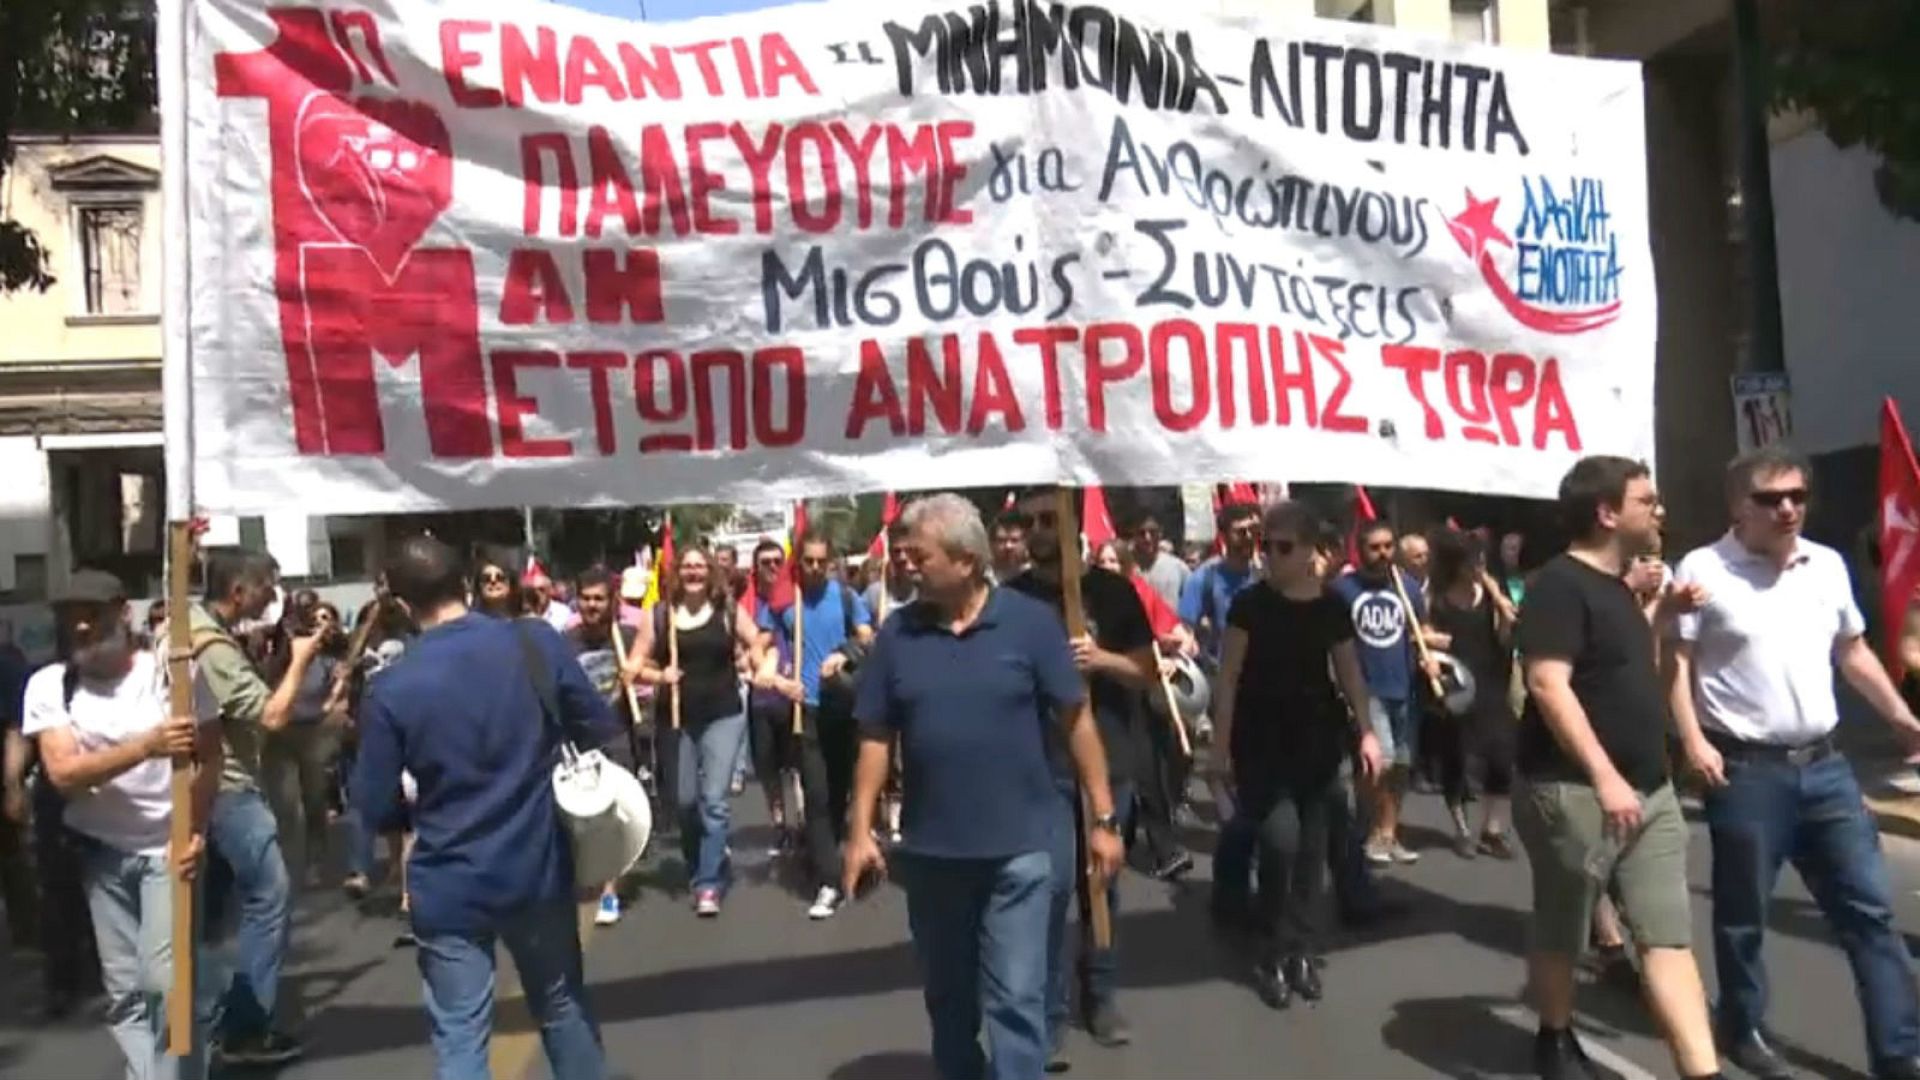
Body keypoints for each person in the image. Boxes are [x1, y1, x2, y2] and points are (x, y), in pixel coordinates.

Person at [842, 493, 1123, 1080]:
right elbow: (874, 736)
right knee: (950, 1005)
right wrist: (859, 830)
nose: (905, 565)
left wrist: (1102, 820)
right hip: (932, 857)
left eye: (918, 555)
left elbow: (1077, 722)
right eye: (901, 555)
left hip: (1020, 852)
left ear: (967, 561)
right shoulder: (897, 635)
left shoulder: (1030, 624)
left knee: (1016, 1002)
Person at [1669, 446, 1920, 1080]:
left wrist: (1899, 716)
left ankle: (1898, 1052)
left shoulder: (1827, 566)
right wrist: (1692, 740)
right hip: (1748, 771)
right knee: (1744, 915)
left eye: (1797, 497)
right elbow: (1676, 664)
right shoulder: (1703, 570)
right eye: (1770, 498)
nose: (1787, 509)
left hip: (1828, 770)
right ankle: (1743, 1025)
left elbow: (1853, 651)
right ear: (1737, 506)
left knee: (1870, 914)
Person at [354, 536, 617, 1080]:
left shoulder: (391, 687)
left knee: (460, 1037)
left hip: (449, 880)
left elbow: (371, 802)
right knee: (562, 1005)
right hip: (536, 865)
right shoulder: (534, 643)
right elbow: (597, 724)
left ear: (402, 607)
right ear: (468, 587)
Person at [1514, 455, 1720, 1080]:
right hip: (1573, 792)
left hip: (1650, 791)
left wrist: (1662, 612)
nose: (1658, 511)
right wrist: (1605, 777)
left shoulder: (1620, 588)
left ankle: (1703, 1072)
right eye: (1645, 501)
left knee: (1667, 938)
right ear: (1607, 513)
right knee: (1564, 928)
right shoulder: (1557, 586)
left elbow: (1626, 669)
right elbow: (1548, 685)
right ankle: (1554, 1034)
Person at [27, 571, 226, 1080]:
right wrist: (146, 746)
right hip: (99, 853)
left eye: (91, 614)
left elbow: (210, 756)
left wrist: (197, 829)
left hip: (168, 847)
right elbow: (64, 774)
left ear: (123, 614)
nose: (81, 626)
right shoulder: (50, 685)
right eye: (69, 617)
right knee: (125, 994)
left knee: (166, 983)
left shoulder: (172, 675)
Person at [1208, 503, 1384, 1009]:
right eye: (1267, 546)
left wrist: (1368, 732)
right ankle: (1269, 947)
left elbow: (1350, 673)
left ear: (1310, 551)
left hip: (1317, 742)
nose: (1271, 556)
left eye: (1283, 547)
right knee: (1280, 843)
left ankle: (1299, 949)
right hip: (1261, 743)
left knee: (1312, 854)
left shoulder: (1331, 607)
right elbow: (1229, 677)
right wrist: (1219, 749)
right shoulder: (1249, 605)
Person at [1005, 491, 1157, 1061]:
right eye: (1033, 521)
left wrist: (1100, 661)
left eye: (1052, 519)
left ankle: (1102, 992)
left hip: (1108, 760)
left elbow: (1145, 670)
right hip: (1040, 764)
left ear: (1074, 524)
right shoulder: (1012, 599)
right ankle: (1047, 1011)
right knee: (1046, 890)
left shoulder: (1111, 591)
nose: (1040, 531)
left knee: (1102, 886)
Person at [185, 549, 316, 1066]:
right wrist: (302, 659)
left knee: (214, 914)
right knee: (269, 897)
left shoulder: (195, 631)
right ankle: (245, 1026)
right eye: (268, 587)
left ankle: (212, 1018)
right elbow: (272, 714)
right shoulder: (210, 646)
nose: (272, 597)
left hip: (207, 787)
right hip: (228, 790)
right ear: (239, 590)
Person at [756, 532, 874, 920]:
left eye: (822, 560)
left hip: (844, 708)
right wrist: (774, 673)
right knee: (818, 795)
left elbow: (868, 638)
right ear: (798, 562)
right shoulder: (785, 602)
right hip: (805, 710)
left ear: (831, 561)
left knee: (841, 792)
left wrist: (844, 655)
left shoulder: (845, 598)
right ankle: (828, 881)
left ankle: (832, 851)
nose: (815, 567)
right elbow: (764, 645)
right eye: (808, 561)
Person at [636, 547, 758, 918]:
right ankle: (699, 864)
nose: (693, 573)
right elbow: (634, 664)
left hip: (722, 713)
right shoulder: (659, 615)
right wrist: (660, 675)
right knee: (686, 802)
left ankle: (708, 883)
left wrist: (758, 662)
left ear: (710, 572)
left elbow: (757, 641)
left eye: (700, 567)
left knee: (714, 801)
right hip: (676, 718)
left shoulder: (728, 610)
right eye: (687, 567)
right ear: (677, 572)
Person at [1330, 522, 1443, 866]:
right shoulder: (1341, 590)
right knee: (1382, 762)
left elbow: (1422, 630)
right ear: (1359, 551)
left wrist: (1432, 651)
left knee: (1402, 767)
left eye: (1388, 546)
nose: (1383, 554)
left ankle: (1386, 833)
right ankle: (1368, 829)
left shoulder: (1407, 587)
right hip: (1367, 690)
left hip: (1404, 688)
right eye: (1375, 547)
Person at [1184, 501, 1266, 925]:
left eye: (1254, 528)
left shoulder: (1267, 573)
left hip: (1268, 684)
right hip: (1224, 681)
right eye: (1239, 530)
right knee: (1228, 767)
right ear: (1224, 533)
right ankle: (1232, 835)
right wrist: (1187, 642)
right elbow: (1184, 626)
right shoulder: (1206, 577)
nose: (1248, 536)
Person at [1426, 530, 1518, 859]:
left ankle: (1492, 830)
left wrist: (1505, 615)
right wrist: (1438, 645)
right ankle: (1462, 828)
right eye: (1471, 561)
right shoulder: (1437, 598)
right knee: (1457, 755)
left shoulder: (1493, 595)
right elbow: (1423, 635)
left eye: (1481, 559)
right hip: (1456, 682)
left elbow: (1506, 639)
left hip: (1491, 679)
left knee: (1502, 756)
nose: (1478, 566)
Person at [560, 567, 641, 927]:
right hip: (576, 738)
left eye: (599, 599)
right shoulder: (565, 641)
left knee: (613, 813)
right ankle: (585, 877)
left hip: (617, 733)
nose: (592, 605)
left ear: (613, 602)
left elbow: (654, 666)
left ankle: (610, 890)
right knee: (580, 816)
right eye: (587, 598)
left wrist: (640, 673)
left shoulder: (626, 635)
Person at [261, 598, 348, 890]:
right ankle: (286, 864)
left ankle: (315, 860)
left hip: (313, 735)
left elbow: (337, 696)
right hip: (281, 736)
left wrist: (333, 700)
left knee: (314, 801)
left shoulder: (328, 662)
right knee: (287, 804)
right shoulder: (278, 664)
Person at [1126, 511, 1190, 612]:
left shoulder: (1177, 567)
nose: (1148, 538)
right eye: (1142, 533)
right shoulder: (1126, 569)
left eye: (1152, 532)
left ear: (1160, 533)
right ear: (1134, 535)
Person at [863, 521, 919, 617]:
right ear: (889, 553)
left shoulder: (927, 592)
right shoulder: (875, 592)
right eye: (897, 551)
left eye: (908, 550)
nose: (902, 556)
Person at [990, 509, 1032, 585]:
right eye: (1001, 540)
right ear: (992, 544)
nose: (1008, 546)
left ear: (1025, 542)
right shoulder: (982, 578)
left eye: (1014, 540)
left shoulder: (1035, 578)